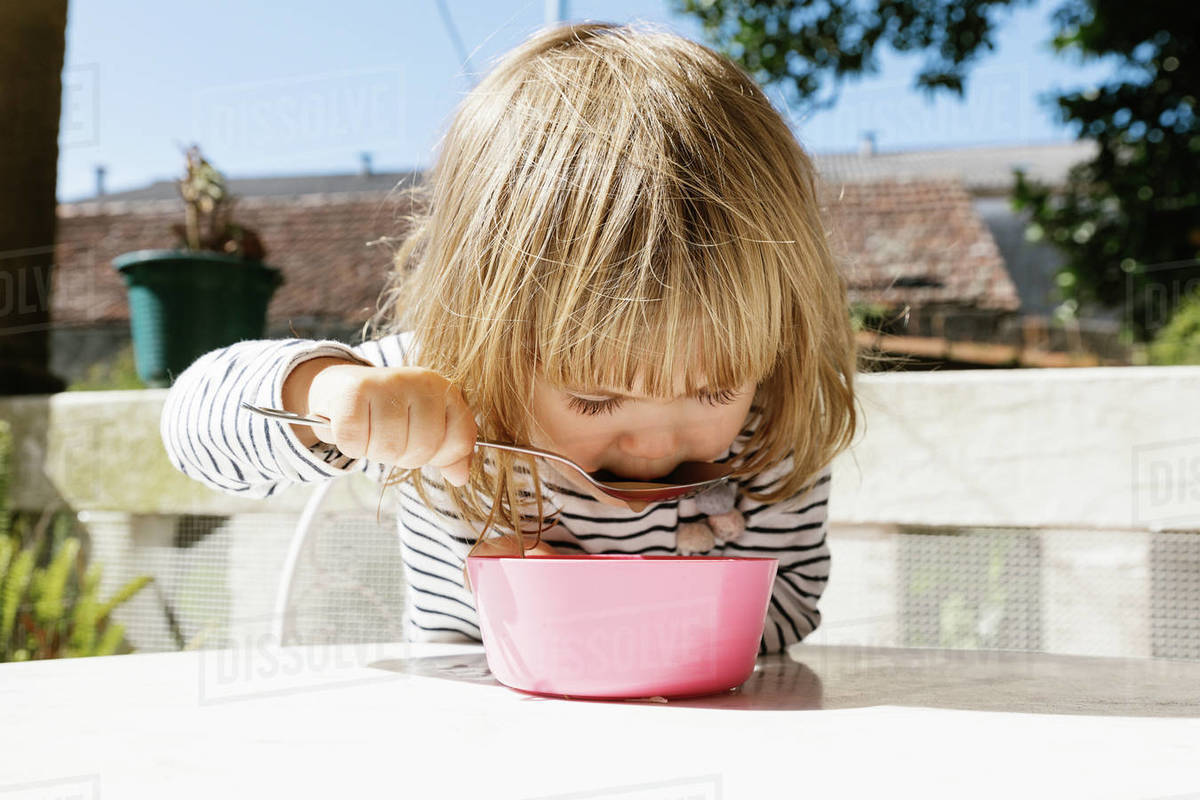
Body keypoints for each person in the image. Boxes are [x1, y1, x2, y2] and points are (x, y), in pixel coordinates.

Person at [161, 21, 859, 654]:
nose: (653, 444)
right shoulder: (443, 395)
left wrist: (611, 617)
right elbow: (192, 430)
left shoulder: (772, 428)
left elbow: (790, 607)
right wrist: (328, 394)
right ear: (488, 330)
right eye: (593, 398)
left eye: (714, 390)